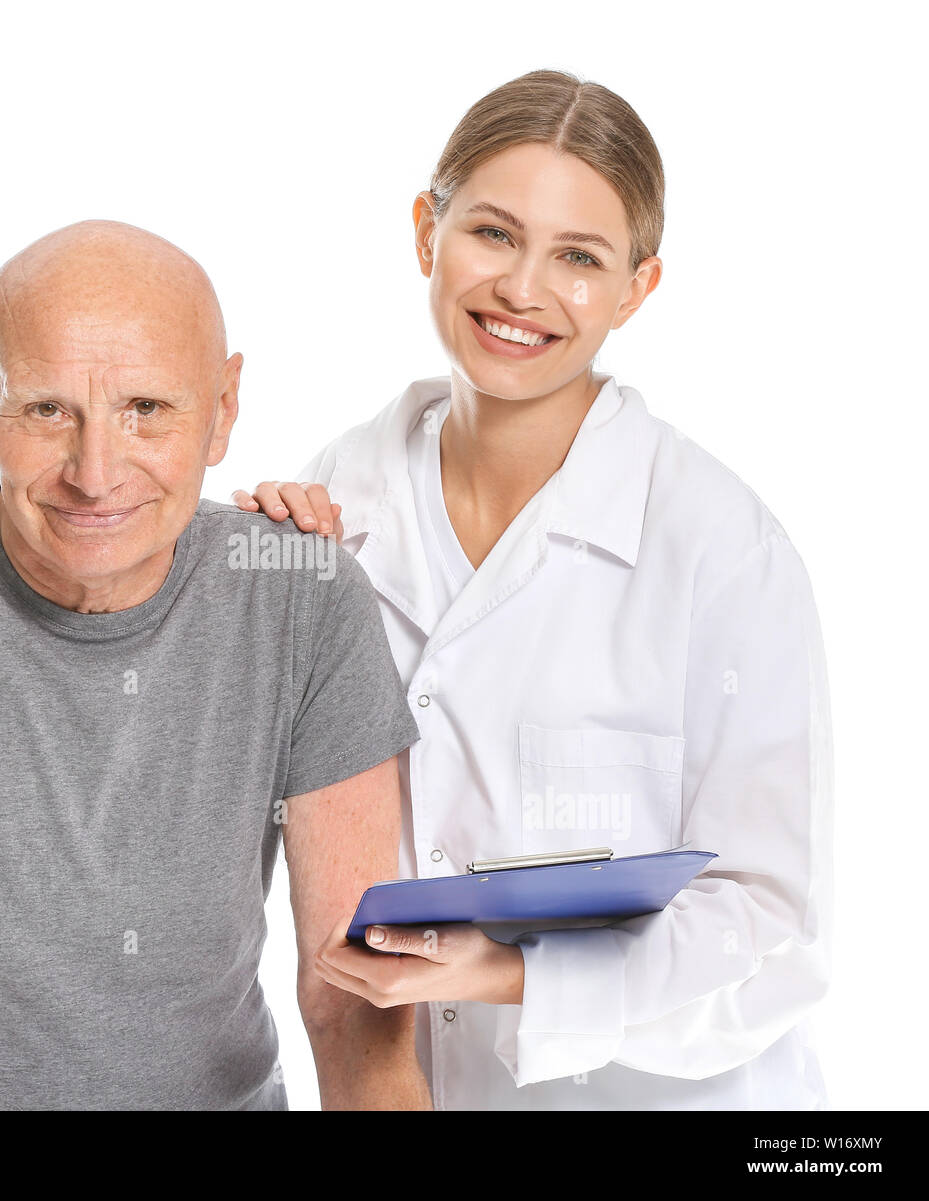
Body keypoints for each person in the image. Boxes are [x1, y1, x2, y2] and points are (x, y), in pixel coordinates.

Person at [0, 220, 431, 1111]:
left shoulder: (306, 596)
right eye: (49, 409)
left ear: (224, 408)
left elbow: (351, 1003)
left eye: (147, 410)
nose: (96, 474)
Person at [234, 69, 833, 1109]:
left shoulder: (720, 547)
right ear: (427, 231)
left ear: (636, 289)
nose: (521, 290)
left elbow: (771, 928)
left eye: (578, 258)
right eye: (493, 234)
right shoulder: (332, 504)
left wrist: (506, 971)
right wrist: (250, 576)